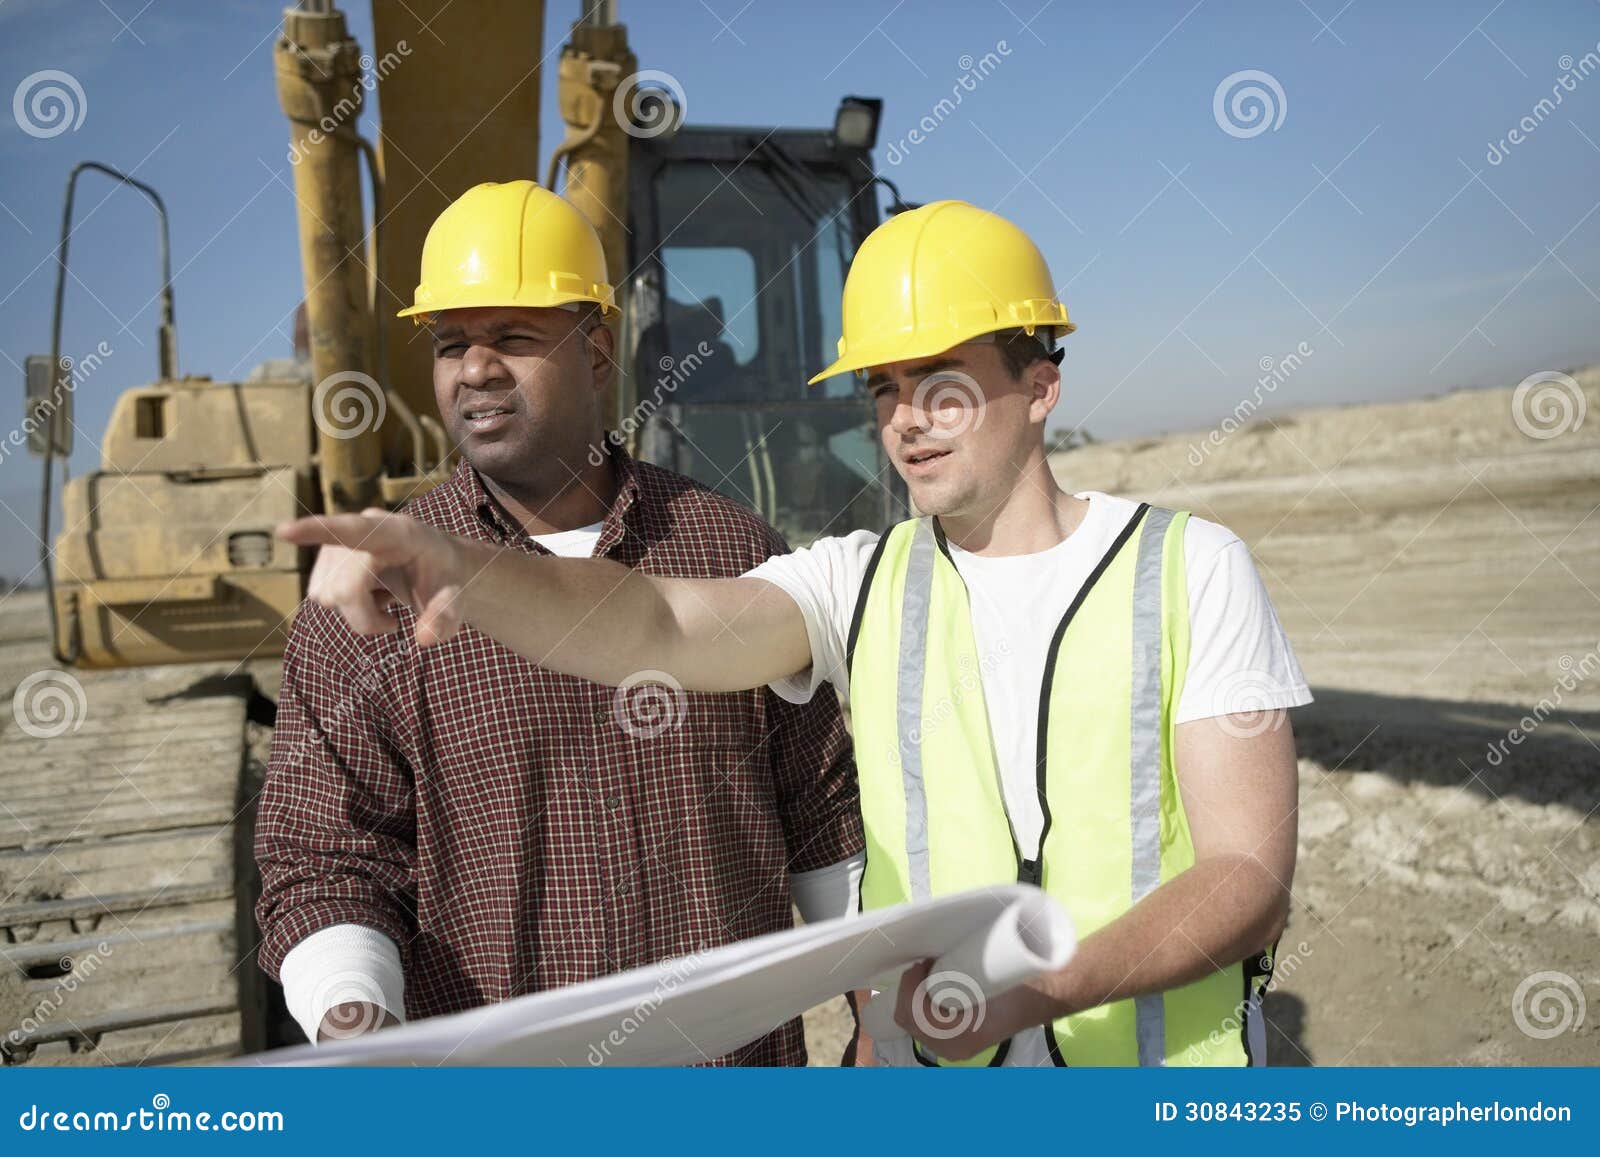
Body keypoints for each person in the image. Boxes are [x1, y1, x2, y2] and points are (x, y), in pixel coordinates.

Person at [278, 199, 1311, 1067]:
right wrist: (452, 561)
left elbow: (1246, 877)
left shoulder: (1186, 567)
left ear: (1041, 384)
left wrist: (1042, 984)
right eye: (882, 388)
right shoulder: (856, 580)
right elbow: (659, 619)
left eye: (941, 380)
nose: (908, 418)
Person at [254, 181, 863, 1066]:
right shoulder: (368, 601)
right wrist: (355, 1017)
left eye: (513, 338)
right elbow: (324, 859)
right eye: (452, 342)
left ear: (600, 350)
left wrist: (879, 1005)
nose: (475, 368)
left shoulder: (735, 552)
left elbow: (821, 814)